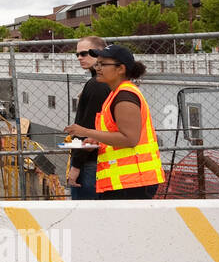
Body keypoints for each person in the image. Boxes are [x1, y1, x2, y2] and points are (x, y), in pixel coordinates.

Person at [66, 46, 165, 199]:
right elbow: (117, 134)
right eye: (97, 63)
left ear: (120, 69)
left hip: (132, 182)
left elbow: (130, 139)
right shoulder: (116, 94)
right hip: (125, 181)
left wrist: (86, 132)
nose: (97, 68)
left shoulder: (124, 96)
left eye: (103, 64)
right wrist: (96, 139)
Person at [66, 36, 109, 201]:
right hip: (99, 159)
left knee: (85, 215)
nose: (79, 58)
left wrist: (76, 166)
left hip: (90, 162)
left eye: (84, 53)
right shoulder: (104, 82)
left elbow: (90, 129)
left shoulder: (97, 84)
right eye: (77, 54)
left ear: (99, 53)